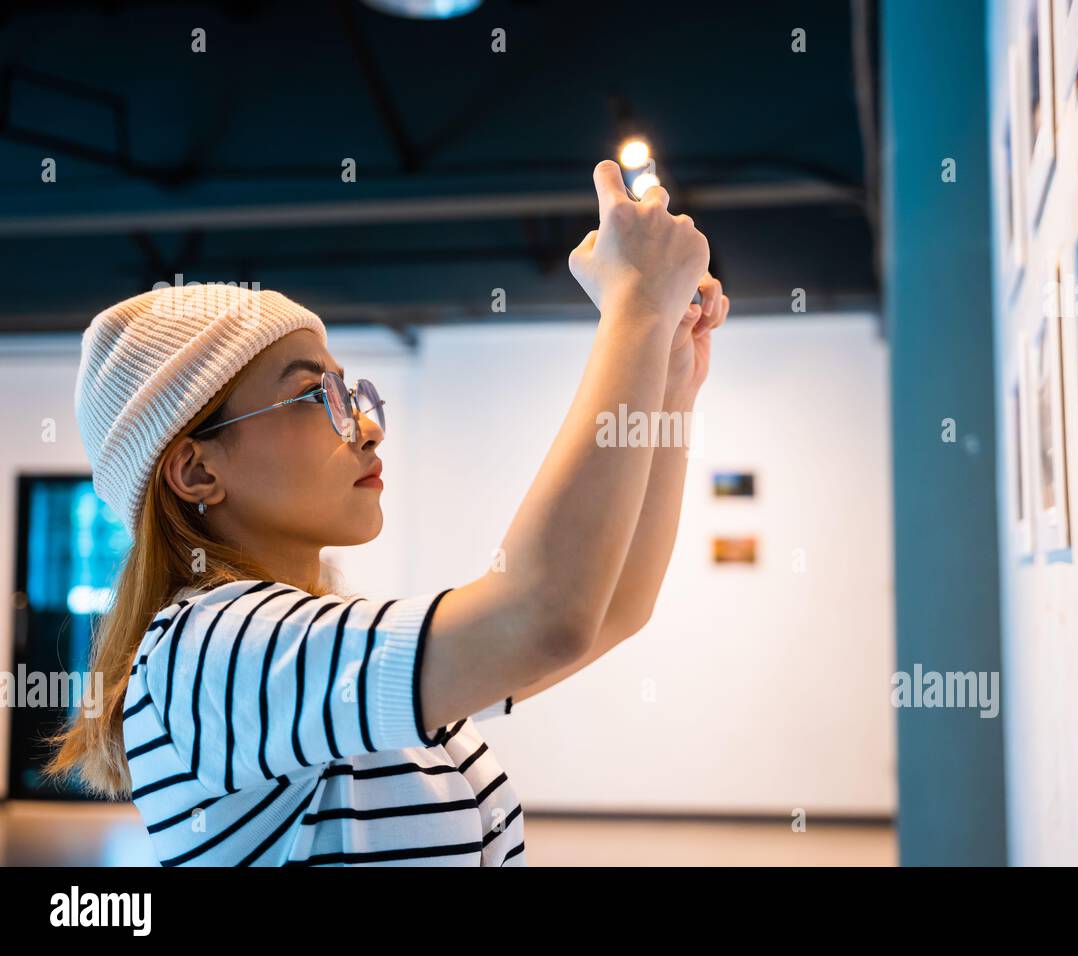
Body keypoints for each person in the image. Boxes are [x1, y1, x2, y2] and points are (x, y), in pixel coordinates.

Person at [42, 160, 730, 866]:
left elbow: (609, 609)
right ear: (197, 469)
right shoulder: (209, 651)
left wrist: (670, 376)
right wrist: (638, 307)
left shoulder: (303, 648)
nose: (367, 427)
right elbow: (543, 616)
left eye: (352, 392)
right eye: (317, 398)